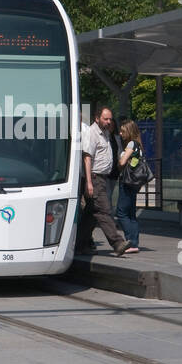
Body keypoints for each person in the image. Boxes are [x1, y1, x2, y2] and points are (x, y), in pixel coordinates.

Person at [75, 104, 129, 257]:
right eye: (105, 119)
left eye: (110, 119)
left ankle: (79, 244)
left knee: (92, 213)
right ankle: (117, 243)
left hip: (102, 177)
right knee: (105, 210)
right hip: (95, 177)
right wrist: (89, 182)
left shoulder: (104, 133)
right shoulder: (92, 133)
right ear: (97, 118)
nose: (108, 122)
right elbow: (87, 157)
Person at [114, 119, 145, 254]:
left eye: (123, 131)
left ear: (129, 131)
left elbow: (122, 161)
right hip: (134, 183)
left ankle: (130, 241)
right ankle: (135, 243)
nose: (120, 134)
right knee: (131, 214)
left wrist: (119, 163)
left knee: (121, 213)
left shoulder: (131, 144)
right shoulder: (139, 144)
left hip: (127, 182)